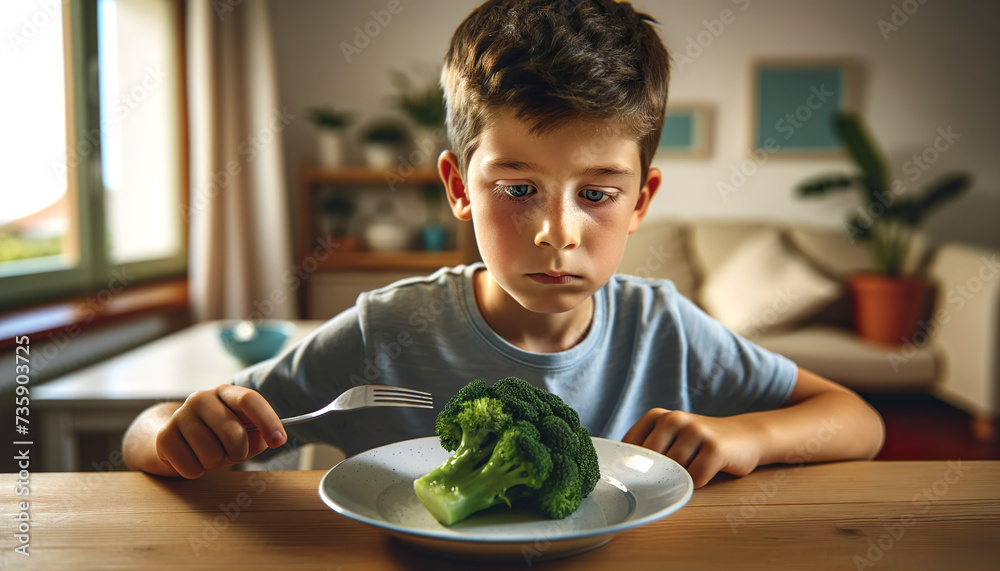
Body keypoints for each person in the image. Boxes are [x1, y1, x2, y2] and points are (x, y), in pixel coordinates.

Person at [123, 0, 884, 487]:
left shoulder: (665, 328)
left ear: (641, 201)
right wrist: (177, 434)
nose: (558, 231)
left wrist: (747, 437)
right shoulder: (385, 331)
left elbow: (858, 419)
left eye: (597, 194)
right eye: (519, 189)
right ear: (459, 187)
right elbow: (145, 435)